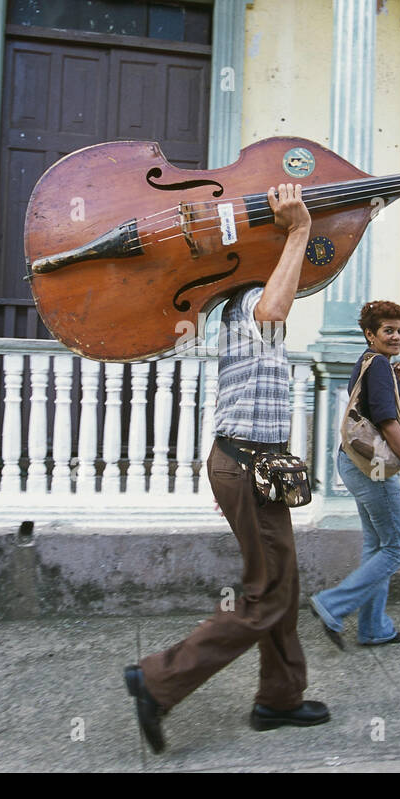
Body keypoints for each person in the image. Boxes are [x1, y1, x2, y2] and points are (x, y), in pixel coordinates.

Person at [124, 183, 329, 754]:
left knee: (281, 587)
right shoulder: (245, 301)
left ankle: (279, 700)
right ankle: (158, 679)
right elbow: (275, 309)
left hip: (256, 467)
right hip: (245, 466)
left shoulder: (248, 299)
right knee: (266, 597)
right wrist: (301, 230)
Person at [309, 301, 400, 649]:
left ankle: (373, 628)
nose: (396, 336)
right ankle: (332, 604)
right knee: (396, 548)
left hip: (354, 462)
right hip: (372, 468)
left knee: (377, 544)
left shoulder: (373, 365)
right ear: (370, 334)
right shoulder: (378, 365)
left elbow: (389, 413)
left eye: (399, 331)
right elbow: (388, 423)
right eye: (388, 330)